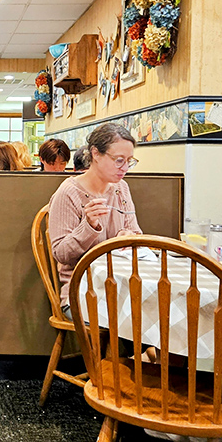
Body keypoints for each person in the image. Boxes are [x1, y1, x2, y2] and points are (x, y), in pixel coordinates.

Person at [48, 123, 142, 318]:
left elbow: (136, 233)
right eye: (118, 160)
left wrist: (129, 236)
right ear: (96, 154)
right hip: (82, 290)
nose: (124, 168)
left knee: (161, 314)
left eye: (129, 161)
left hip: (121, 286)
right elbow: (61, 254)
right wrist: (88, 227)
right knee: (134, 319)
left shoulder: (121, 188)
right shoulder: (69, 193)